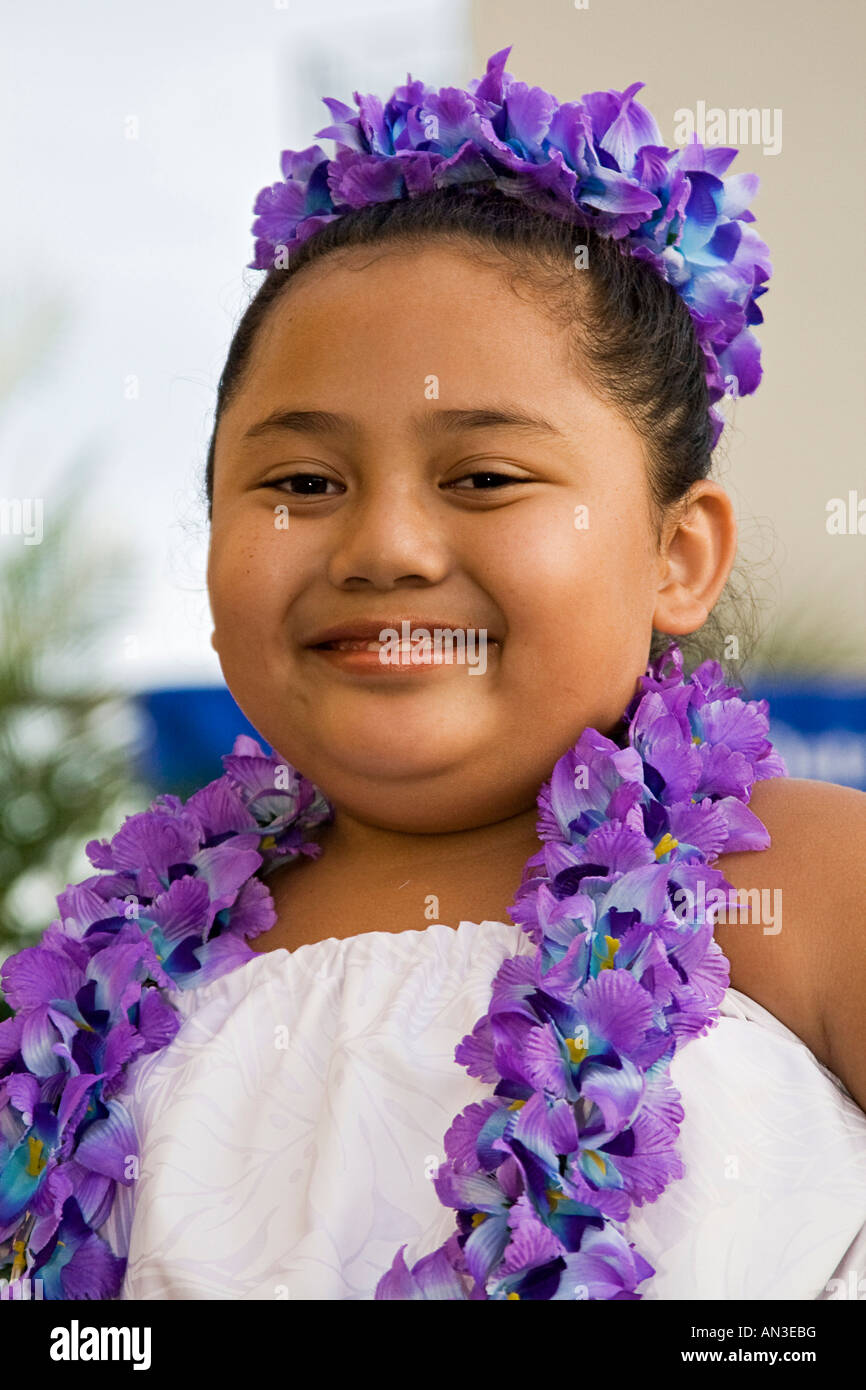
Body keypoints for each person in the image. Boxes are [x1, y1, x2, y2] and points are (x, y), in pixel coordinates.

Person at [1, 46, 864, 1303]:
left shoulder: (797, 885)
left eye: (483, 477)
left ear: (675, 554)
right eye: (300, 484)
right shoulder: (97, 994)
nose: (384, 547)